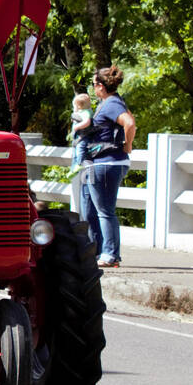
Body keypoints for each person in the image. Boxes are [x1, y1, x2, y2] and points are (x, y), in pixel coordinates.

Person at [81, 65, 136, 269]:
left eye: (94, 84)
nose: (93, 88)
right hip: (101, 163)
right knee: (91, 210)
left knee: (105, 211)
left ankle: (110, 254)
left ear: (102, 86)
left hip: (106, 162)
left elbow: (129, 122)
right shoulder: (112, 102)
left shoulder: (112, 103)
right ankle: (97, 252)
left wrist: (127, 145)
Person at [69, 91, 94, 173]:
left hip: (83, 137)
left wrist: (77, 127)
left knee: (80, 150)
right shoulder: (81, 112)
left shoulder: (86, 113)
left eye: (75, 106)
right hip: (78, 137)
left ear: (80, 106)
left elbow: (87, 122)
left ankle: (79, 164)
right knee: (75, 152)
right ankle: (74, 168)